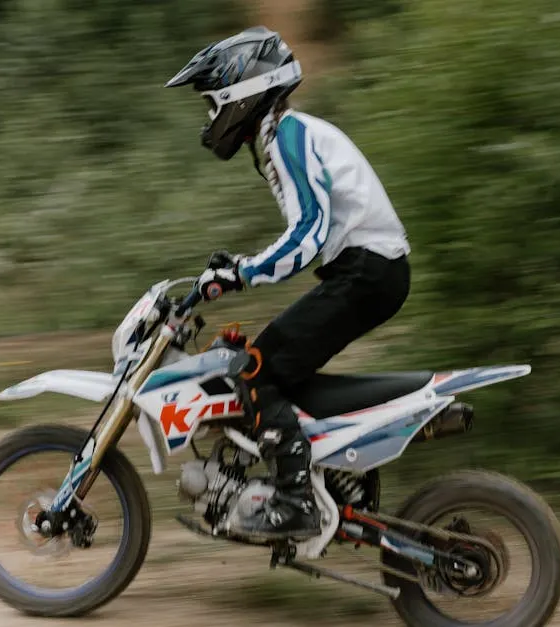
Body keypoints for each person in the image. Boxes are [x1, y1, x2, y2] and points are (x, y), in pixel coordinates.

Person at [165, 26, 411, 541]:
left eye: (212, 104)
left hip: (367, 272)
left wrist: (243, 271)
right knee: (279, 368)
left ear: (241, 92)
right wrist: (238, 269)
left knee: (255, 370)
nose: (211, 118)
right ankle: (332, 481)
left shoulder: (287, 136)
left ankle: (296, 502)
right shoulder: (284, 134)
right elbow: (310, 231)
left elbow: (309, 231)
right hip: (367, 271)